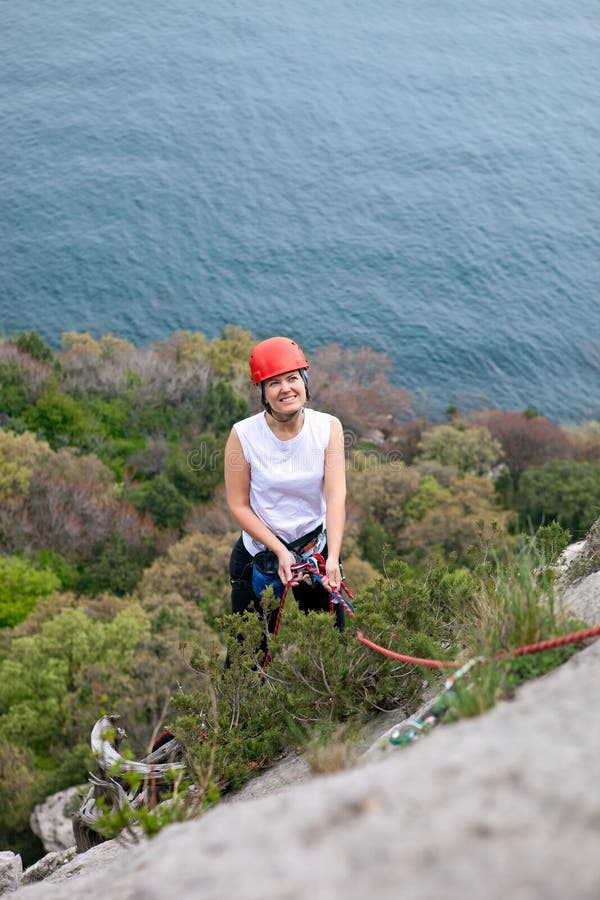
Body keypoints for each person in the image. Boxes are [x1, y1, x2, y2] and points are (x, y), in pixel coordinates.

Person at [224, 336, 347, 660]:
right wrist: (279, 550)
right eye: (274, 382)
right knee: (244, 658)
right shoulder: (243, 435)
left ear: (304, 382)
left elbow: (335, 496)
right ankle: (243, 711)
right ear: (263, 392)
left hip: (314, 553)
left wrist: (332, 557)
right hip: (259, 555)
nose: (286, 388)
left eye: (293, 378)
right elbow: (238, 504)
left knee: (331, 650)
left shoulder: (327, 428)